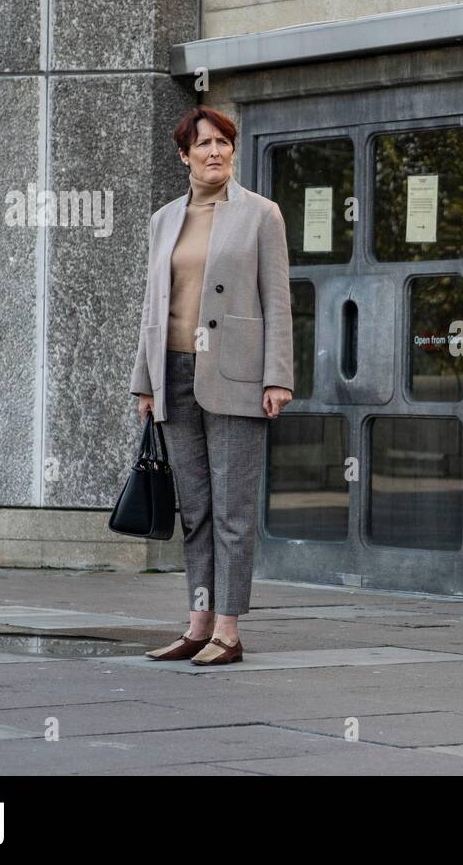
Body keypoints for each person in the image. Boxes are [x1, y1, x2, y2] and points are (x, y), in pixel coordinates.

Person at [130, 107, 294, 666]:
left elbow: (277, 301)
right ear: (184, 155)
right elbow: (153, 309)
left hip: (236, 376)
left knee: (232, 509)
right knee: (195, 509)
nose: (216, 152)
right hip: (173, 374)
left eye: (224, 143)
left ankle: (229, 627)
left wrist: (278, 377)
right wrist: (144, 381)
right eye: (204, 145)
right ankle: (197, 622)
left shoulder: (261, 215)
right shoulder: (163, 221)